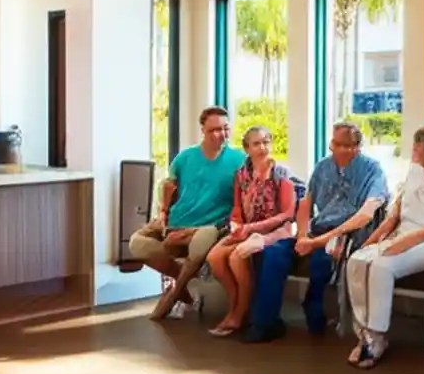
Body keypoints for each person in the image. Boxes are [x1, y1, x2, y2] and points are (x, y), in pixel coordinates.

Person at [243, 121, 388, 343]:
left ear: (358, 146)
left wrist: (320, 241)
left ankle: (314, 308)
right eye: (336, 144)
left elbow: (366, 215)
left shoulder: (372, 170)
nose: (341, 150)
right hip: (316, 230)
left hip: (346, 235)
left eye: (348, 146)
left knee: (322, 257)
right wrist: (302, 235)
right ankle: (266, 323)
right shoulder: (323, 167)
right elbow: (306, 203)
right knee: (273, 253)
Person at [345, 124, 424, 368]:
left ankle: (376, 337)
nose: (413, 150)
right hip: (402, 237)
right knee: (357, 260)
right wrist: (369, 243)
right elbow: (392, 219)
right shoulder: (412, 177)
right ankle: (364, 334)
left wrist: (403, 243)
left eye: (418, 147)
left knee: (382, 267)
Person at [129, 106, 246, 320]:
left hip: (211, 227)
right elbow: (168, 186)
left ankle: (173, 294)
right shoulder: (184, 158)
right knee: (137, 243)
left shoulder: (239, 160)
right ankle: (185, 292)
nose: (222, 134)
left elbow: (243, 200)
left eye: (225, 129)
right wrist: (163, 214)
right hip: (176, 222)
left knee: (201, 240)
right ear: (203, 130)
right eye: (215, 130)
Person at [206, 125, 298, 337]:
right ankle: (236, 303)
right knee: (214, 257)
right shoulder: (241, 175)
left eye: (266, 142)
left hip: (272, 231)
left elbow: (287, 214)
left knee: (237, 257)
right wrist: (236, 225)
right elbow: (237, 208)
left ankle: (238, 314)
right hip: (246, 229)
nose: (262, 147)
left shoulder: (281, 173)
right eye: (256, 143)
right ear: (247, 148)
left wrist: (251, 228)